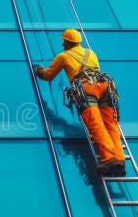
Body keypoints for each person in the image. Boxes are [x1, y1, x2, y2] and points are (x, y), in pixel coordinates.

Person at [33, 28, 125, 176]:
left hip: (87, 89)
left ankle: (109, 159)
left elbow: (48, 75)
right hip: (105, 87)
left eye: (64, 41)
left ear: (67, 42)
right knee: (111, 124)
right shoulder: (91, 53)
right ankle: (120, 160)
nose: (63, 44)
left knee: (96, 124)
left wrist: (38, 70)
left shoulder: (63, 56)